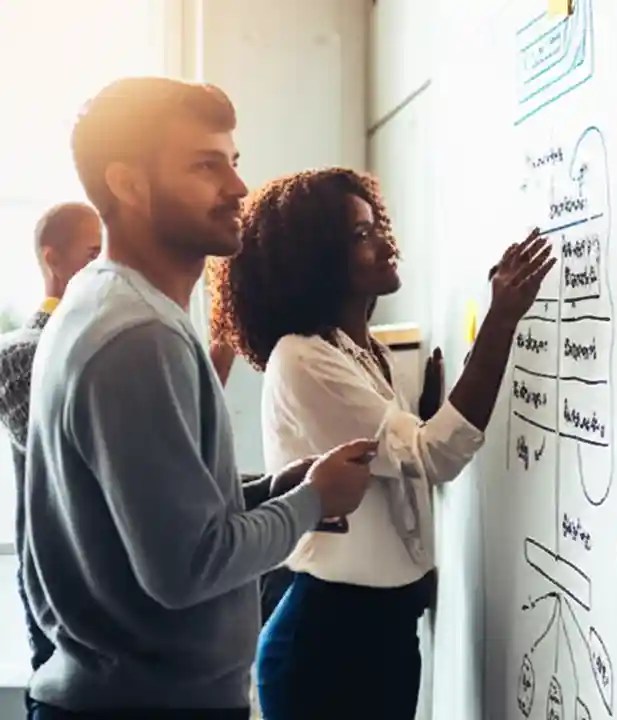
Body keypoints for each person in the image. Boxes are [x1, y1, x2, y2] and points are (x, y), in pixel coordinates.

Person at [22, 77, 378, 719]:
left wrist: (272, 492)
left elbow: (144, 522)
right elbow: (188, 566)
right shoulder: (139, 336)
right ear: (128, 185)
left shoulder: (107, 303)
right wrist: (312, 502)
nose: (238, 187)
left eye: (233, 162)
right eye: (205, 166)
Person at [208, 167, 553, 719]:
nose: (385, 243)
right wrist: (502, 320)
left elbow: (405, 465)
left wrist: (425, 416)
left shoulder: (365, 354)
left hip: (383, 630)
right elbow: (431, 456)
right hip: (328, 642)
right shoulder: (303, 357)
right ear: (317, 259)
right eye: (360, 237)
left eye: (377, 228)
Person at [0, 202, 101, 710]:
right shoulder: (18, 352)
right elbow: (66, 448)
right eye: (93, 253)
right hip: (59, 573)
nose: (106, 266)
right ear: (53, 259)